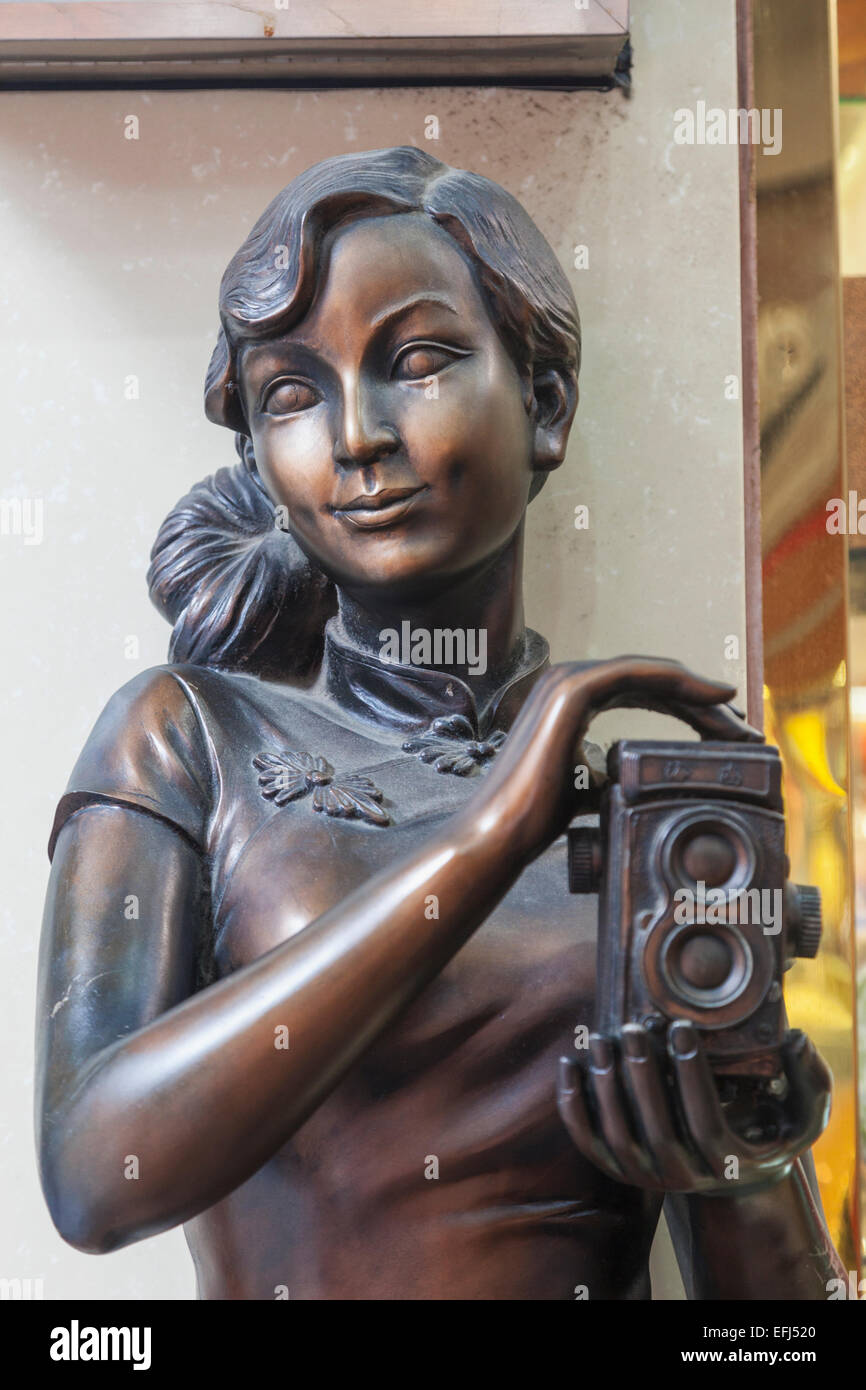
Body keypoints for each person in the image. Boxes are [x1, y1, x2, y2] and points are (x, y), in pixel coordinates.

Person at [36, 146, 843, 1300]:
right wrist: (484, 839)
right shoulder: (186, 739)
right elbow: (94, 1176)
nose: (356, 435)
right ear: (260, 458)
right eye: (293, 394)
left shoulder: (651, 815)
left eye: (414, 362)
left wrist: (737, 1167)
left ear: (544, 402)